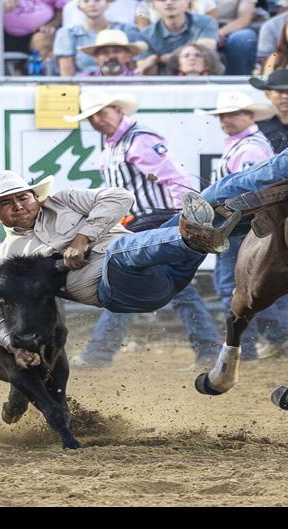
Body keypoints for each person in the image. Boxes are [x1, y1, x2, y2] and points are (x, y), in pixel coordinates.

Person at [0, 96, 288, 374]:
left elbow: (120, 196)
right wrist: (11, 342)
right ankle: (200, 236)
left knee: (220, 190)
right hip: (120, 286)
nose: (19, 204)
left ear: (35, 195)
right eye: (8, 202)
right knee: (123, 252)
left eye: (23, 196)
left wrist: (82, 238)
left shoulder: (65, 199)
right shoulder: (8, 257)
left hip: (156, 258)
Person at [71, 89, 222, 369]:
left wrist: (186, 217)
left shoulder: (139, 140)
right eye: (91, 117)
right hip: (142, 222)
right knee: (171, 286)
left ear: (118, 110)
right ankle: (208, 348)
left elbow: (174, 179)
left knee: (122, 280)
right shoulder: (114, 146)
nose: (97, 120)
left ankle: (100, 353)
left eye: (101, 113)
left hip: (159, 219)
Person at [203, 86, 288, 361]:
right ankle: (273, 336)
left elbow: (246, 190)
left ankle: (255, 343)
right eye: (222, 115)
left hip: (239, 225)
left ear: (248, 116)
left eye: (232, 114)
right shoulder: (247, 145)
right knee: (248, 282)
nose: (225, 120)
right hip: (246, 223)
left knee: (230, 286)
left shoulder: (248, 148)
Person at [55, 0, 146, 75]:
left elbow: (135, 65)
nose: (92, 4)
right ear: (79, 6)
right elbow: (67, 77)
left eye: (97, 0)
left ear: (108, 2)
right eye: (86, 1)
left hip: (124, 83)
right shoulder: (67, 34)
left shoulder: (127, 30)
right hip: (85, 86)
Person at [138, 0, 219, 75]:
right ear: (153, 5)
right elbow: (145, 69)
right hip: (164, 84)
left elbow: (204, 52)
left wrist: (158, 58)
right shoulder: (145, 35)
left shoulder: (206, 22)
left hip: (203, 80)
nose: (169, 2)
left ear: (188, 2)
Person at [76, 29, 147, 75]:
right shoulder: (84, 81)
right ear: (96, 58)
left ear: (128, 56)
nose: (111, 56)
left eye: (117, 51)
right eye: (104, 52)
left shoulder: (140, 82)